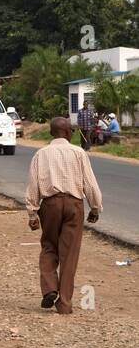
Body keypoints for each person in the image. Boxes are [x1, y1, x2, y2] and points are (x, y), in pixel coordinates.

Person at [26, 117, 103, 314]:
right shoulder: (79, 153)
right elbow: (90, 184)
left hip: (50, 205)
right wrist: (95, 208)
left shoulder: (40, 154)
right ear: (69, 133)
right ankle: (65, 303)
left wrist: (32, 213)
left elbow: (33, 185)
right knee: (69, 254)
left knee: (49, 246)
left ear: (52, 133)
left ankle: (50, 288)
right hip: (73, 205)